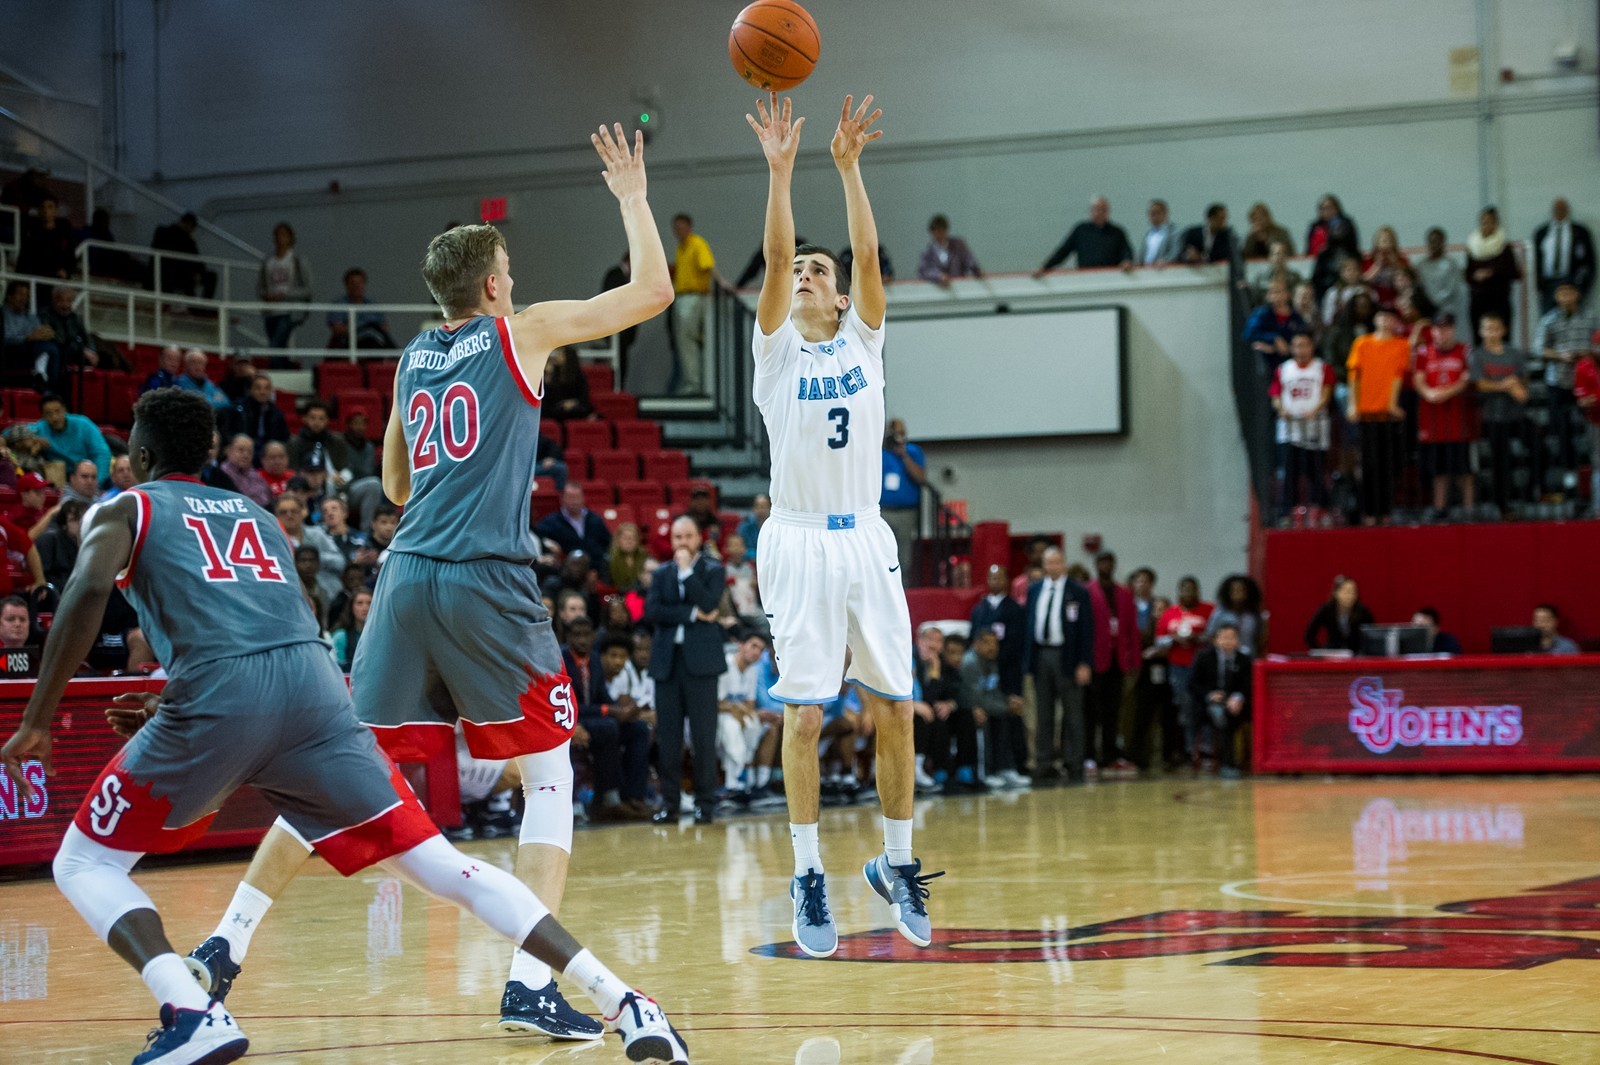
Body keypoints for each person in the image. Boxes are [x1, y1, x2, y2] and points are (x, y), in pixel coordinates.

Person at [0, 388, 686, 1065]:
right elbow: (286, 619)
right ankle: (626, 1000)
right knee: (443, 866)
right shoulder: (258, 515)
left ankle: (191, 1008)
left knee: (84, 860)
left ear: (139, 452)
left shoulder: (126, 505)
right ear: (208, 455)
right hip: (315, 691)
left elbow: (87, 590)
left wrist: (37, 718)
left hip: (222, 693)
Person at [179, 123, 677, 1047]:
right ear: (492, 284)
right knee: (550, 776)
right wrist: (630, 196)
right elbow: (652, 290)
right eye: (512, 269)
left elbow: (399, 485)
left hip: (404, 575)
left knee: (346, 769)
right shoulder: (518, 333)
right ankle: (531, 981)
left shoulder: (412, 358)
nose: (518, 280)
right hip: (485, 579)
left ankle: (223, 941)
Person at [746, 92, 939, 957]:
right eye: (800, 272)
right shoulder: (776, 349)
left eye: (819, 272)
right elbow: (778, 249)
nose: (808, 276)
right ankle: (808, 872)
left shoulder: (866, 341)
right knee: (806, 717)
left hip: (866, 534)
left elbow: (864, 250)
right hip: (796, 539)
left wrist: (850, 167)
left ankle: (897, 863)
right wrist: (782, 170)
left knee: (897, 707)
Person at [643, 516, 726, 823]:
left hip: (702, 666)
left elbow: (710, 603)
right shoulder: (661, 573)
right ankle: (670, 803)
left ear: (698, 538)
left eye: (688, 536)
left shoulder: (713, 569)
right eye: (677, 537)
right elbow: (653, 611)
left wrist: (688, 573)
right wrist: (692, 613)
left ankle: (706, 803)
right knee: (669, 738)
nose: (682, 543)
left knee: (704, 737)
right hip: (667, 664)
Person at [565, 619, 653, 822]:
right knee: (609, 727)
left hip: (596, 720)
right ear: (568, 637)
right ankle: (608, 798)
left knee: (638, 728)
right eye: (577, 635)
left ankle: (634, 797)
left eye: (586, 635)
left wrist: (623, 710)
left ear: (593, 637)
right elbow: (569, 706)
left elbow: (603, 698)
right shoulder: (562, 660)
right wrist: (610, 710)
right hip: (572, 721)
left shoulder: (594, 659)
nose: (582, 640)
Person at [1023, 546, 1094, 783]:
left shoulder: (1077, 591)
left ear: (1063, 564)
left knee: (1073, 714)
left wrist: (1084, 663)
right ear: (1043, 565)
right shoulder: (1034, 590)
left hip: (1068, 656)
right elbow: (1029, 626)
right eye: (1048, 563)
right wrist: (1029, 662)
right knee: (1044, 714)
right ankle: (1044, 762)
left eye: (1056, 562)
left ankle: (1074, 763)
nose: (1052, 567)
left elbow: (1086, 630)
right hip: (1042, 655)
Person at [1347, 307, 1411, 524]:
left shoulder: (1401, 345)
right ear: (1375, 319)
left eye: (1390, 318)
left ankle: (1385, 511)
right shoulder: (1362, 343)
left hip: (1387, 415)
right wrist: (1352, 405)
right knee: (1367, 464)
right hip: (1365, 414)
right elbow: (1354, 375)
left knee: (1388, 464)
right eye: (1381, 317)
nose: (1385, 322)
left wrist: (1392, 404)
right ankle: (1368, 512)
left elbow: (1397, 375)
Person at [1414, 313, 1478, 519]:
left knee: (1464, 468)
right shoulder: (1424, 353)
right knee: (1438, 468)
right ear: (1432, 331)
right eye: (1438, 328)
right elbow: (1418, 379)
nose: (1442, 332)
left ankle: (1469, 508)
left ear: (1453, 329)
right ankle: (1440, 507)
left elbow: (1467, 378)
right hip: (1433, 420)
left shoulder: (1464, 350)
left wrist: (1445, 392)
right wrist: (1429, 393)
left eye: (1447, 328)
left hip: (1459, 419)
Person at [1533, 282, 1598, 485]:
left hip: (1588, 381)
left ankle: (1593, 469)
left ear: (1577, 294)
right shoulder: (1549, 320)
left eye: (1570, 292)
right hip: (1559, 380)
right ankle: (1570, 473)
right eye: (1562, 293)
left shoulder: (1591, 317)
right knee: (1562, 429)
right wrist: (1560, 356)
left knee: (1592, 427)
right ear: (1556, 296)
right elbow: (1538, 349)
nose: (1566, 297)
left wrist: (1588, 354)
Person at [1086, 551, 1140, 776]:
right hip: (1095, 660)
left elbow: (1132, 630)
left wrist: (1134, 660)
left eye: (1110, 562)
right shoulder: (1087, 591)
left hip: (1117, 661)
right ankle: (1089, 756)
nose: (1106, 566)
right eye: (1102, 562)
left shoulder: (1125, 593)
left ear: (1114, 565)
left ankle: (1110, 755)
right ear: (1096, 565)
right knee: (1091, 711)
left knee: (1112, 712)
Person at [1473, 312, 1531, 516]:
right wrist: (1507, 385)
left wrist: (1517, 385)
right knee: (1500, 461)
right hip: (1493, 417)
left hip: (1516, 414)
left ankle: (1534, 491)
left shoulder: (1514, 353)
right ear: (1481, 331)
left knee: (1540, 447)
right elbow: (1480, 384)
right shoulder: (1478, 355)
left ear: (1503, 330)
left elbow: (1524, 379)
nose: (1492, 333)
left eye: (1495, 328)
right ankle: (1502, 505)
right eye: (1487, 328)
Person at [1272, 331, 1334, 519]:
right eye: (1297, 345)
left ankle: (1319, 507)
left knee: (1315, 470)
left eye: (1305, 344)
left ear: (1312, 347)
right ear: (1292, 348)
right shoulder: (1283, 369)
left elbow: (1326, 391)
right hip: (1291, 429)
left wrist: (1315, 409)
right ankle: (1287, 510)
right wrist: (1282, 410)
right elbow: (1275, 394)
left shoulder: (1321, 367)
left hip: (1314, 426)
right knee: (1290, 470)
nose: (1301, 349)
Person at [716, 631, 782, 800]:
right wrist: (737, 710)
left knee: (753, 723)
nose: (756, 652)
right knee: (733, 727)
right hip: (719, 716)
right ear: (740, 645)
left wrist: (742, 711)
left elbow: (750, 704)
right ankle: (732, 784)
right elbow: (716, 703)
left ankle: (752, 782)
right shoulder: (724, 665)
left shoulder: (752, 670)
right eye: (753, 646)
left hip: (738, 714)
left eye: (760, 649)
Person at [1157, 576, 1213, 765]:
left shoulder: (1208, 610)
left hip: (1202, 667)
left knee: (1204, 707)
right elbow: (1159, 640)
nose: (1188, 593)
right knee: (1185, 708)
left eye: (1192, 589)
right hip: (1178, 667)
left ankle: (1207, 749)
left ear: (1198, 591)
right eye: (1184, 589)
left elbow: (1215, 637)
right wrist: (1173, 639)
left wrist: (1198, 638)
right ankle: (1189, 749)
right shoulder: (1170, 613)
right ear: (1178, 592)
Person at [964, 628, 1029, 789]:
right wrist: (1006, 707)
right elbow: (976, 697)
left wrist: (1008, 702)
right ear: (976, 644)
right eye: (987, 643)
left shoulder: (990, 660)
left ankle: (1005, 768)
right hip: (966, 708)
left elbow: (993, 691)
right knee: (987, 716)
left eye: (995, 643)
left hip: (986, 706)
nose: (992, 648)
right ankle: (985, 772)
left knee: (1007, 717)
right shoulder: (970, 663)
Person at [1188, 622, 1252, 778]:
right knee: (1221, 715)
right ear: (1216, 640)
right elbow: (1192, 684)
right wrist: (1209, 694)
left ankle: (1233, 762)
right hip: (1208, 704)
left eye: (1232, 638)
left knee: (1229, 716)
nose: (1228, 641)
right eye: (1224, 637)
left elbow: (1249, 684)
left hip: (1237, 705)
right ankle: (1226, 763)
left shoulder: (1244, 660)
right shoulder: (1203, 657)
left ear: (1238, 640)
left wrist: (1238, 697)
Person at [670, 212, 716, 395]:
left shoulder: (697, 243)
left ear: (689, 227)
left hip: (693, 298)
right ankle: (694, 382)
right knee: (688, 342)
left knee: (688, 341)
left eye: (681, 227)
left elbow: (709, 266)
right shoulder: (680, 248)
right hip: (684, 297)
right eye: (675, 228)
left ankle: (694, 384)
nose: (678, 231)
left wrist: (721, 284)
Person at [969, 563, 1026, 703]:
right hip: (981, 667)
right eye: (992, 578)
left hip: (1007, 667)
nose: (996, 582)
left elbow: (1017, 640)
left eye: (999, 578)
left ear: (1007, 580)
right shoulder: (979, 609)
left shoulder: (1015, 609)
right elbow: (973, 636)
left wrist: (996, 656)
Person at [1035, 196, 1132, 274]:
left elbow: (1126, 251)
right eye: (1097, 209)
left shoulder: (1117, 232)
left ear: (1108, 211)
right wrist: (1045, 267)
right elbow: (1063, 251)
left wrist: (1127, 261)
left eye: (1103, 209)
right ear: (1091, 211)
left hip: (1110, 278)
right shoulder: (1081, 230)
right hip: (1085, 278)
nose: (1099, 212)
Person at [1467, 207, 1522, 343]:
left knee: (1503, 340)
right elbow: (1468, 275)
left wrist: (1493, 272)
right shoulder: (1472, 246)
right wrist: (1476, 276)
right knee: (1480, 341)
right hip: (1479, 302)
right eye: (1483, 222)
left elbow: (1514, 274)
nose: (1486, 225)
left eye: (1490, 222)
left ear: (1496, 223)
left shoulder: (1505, 247)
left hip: (1500, 301)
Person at [879, 417, 925, 579]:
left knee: (904, 557)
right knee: (881, 554)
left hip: (906, 513)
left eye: (901, 433)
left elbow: (921, 478)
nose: (897, 437)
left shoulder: (913, 452)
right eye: (894, 434)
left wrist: (904, 455)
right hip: (882, 512)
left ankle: (904, 591)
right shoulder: (880, 454)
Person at [1532, 198, 1595, 314]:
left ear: (1568, 210)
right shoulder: (1542, 232)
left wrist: (1582, 286)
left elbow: (1589, 262)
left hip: (1571, 282)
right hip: (1548, 284)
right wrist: (1539, 284)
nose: (1559, 211)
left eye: (1562, 209)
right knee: (1548, 318)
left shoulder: (1580, 232)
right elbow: (1536, 260)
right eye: (1557, 209)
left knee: (1573, 318)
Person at [257, 222, 313, 348]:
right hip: (271, 311)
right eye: (277, 234)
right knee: (277, 348)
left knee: (275, 345)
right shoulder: (268, 261)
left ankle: (282, 365)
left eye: (283, 234)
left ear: (290, 238)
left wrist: (285, 296)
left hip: (288, 311)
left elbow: (307, 289)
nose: (279, 238)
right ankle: (287, 365)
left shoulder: (297, 260)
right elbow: (261, 285)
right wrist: (265, 296)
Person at [32, 393, 111, 481]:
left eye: (57, 411)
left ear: (65, 410)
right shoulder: (41, 428)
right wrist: (32, 439)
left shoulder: (84, 424)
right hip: (62, 478)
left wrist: (97, 482)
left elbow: (102, 454)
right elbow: (15, 434)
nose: (55, 417)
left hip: (89, 474)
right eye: (49, 414)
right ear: (43, 416)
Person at [2, 280, 60, 389]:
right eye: (21, 294)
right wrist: (27, 337)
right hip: (11, 352)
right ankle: (46, 383)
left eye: (27, 296)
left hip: (31, 350)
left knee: (51, 347)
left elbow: (39, 333)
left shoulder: (30, 316)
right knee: (47, 348)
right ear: (9, 296)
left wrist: (47, 333)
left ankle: (42, 376)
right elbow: (6, 338)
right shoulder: (3, 314)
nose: (24, 299)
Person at [536, 483, 612, 567]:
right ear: (562, 499)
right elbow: (536, 536)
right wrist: (547, 543)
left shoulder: (595, 520)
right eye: (571, 498)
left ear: (583, 498)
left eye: (577, 497)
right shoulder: (551, 522)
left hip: (595, 569)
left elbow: (607, 542)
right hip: (565, 571)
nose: (574, 501)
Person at [149, 211, 216, 298]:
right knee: (187, 275)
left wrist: (199, 272)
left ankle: (204, 306)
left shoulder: (188, 240)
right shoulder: (165, 232)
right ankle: (193, 305)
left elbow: (196, 258)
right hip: (170, 271)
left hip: (184, 271)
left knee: (210, 276)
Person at [325, 267, 395, 349]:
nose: (356, 286)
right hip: (350, 342)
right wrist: (363, 327)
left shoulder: (372, 305)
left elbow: (384, 327)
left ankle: (397, 355)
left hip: (374, 340)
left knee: (374, 334)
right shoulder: (339, 305)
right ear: (346, 285)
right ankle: (397, 355)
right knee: (371, 332)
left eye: (360, 283)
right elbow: (337, 329)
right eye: (353, 283)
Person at [1243, 280, 1307, 368]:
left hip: (1290, 365)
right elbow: (1249, 333)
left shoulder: (1296, 317)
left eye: (1280, 292)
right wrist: (1274, 338)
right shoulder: (1262, 314)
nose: (1277, 297)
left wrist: (1288, 349)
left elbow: (1302, 338)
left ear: (1288, 294)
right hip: (1267, 364)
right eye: (1272, 293)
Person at [1415, 227, 1470, 328]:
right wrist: (1427, 304)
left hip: (1446, 309)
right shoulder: (1422, 265)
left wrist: (1435, 302)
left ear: (1443, 242)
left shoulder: (1451, 264)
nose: (1434, 244)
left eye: (1437, 241)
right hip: (1426, 310)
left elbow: (1451, 288)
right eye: (1431, 241)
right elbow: (1420, 287)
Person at [1304, 576, 1373, 653]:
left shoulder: (1363, 612)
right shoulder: (1327, 610)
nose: (1350, 595)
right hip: (1332, 655)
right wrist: (1320, 652)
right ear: (1336, 593)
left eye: (1353, 592)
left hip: (1357, 656)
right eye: (1346, 591)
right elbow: (1309, 635)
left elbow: (1372, 635)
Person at [599, 250, 637, 387]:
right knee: (618, 363)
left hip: (624, 331)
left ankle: (619, 387)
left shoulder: (629, 278)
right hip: (617, 330)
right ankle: (617, 388)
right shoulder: (615, 275)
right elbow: (611, 301)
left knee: (622, 362)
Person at [1204, 575, 1266, 658]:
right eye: (1234, 591)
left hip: (1249, 658)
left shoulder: (1254, 615)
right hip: (1225, 659)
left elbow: (1260, 640)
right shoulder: (1220, 613)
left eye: (1241, 590)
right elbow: (1210, 635)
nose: (1238, 594)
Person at [226, 374, 289, 454]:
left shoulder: (277, 414)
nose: (262, 392)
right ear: (251, 390)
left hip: (268, 453)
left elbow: (283, 439)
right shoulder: (240, 410)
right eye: (258, 388)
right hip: (245, 450)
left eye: (267, 388)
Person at [40, 286, 100, 370]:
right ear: (54, 301)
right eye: (61, 301)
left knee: (103, 357)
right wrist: (82, 350)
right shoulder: (46, 315)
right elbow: (56, 339)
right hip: (59, 352)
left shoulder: (76, 318)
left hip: (76, 352)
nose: (65, 305)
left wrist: (92, 351)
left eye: (69, 301)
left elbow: (87, 337)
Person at [916, 214, 982, 285]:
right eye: (935, 231)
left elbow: (970, 263)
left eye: (941, 231)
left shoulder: (959, 246)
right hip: (937, 290)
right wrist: (938, 276)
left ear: (946, 230)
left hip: (960, 288)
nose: (938, 234)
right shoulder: (927, 252)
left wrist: (976, 272)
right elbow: (923, 271)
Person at [1575, 332, 1600, 516]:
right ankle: (1598, 507)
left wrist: (1595, 397)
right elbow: (1582, 400)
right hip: (1595, 421)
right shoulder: (1584, 366)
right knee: (1598, 463)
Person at [218, 434, 272, 509]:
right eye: (241, 450)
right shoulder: (221, 474)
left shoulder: (255, 475)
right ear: (229, 451)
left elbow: (268, 498)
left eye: (249, 451)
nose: (246, 455)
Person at [543, 345, 595, 421]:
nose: (557, 356)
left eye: (561, 354)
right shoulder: (554, 373)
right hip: (557, 406)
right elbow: (550, 396)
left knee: (584, 409)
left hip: (574, 406)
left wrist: (572, 402)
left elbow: (584, 396)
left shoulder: (578, 375)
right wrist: (548, 376)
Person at [1306, 194, 1360, 261]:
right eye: (1322, 208)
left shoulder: (1345, 224)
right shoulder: (1315, 226)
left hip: (1342, 259)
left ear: (1336, 208)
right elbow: (1309, 247)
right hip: (1317, 260)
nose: (1325, 212)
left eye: (1328, 208)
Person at [608, 520, 651, 590]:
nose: (629, 541)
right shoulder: (608, 561)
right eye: (625, 538)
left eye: (633, 538)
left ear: (638, 541)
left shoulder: (647, 559)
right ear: (618, 540)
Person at [1139, 199, 1182, 266]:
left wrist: (1165, 260)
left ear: (1165, 213)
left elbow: (1175, 251)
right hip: (1147, 270)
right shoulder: (1148, 234)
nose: (1155, 217)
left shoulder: (1174, 232)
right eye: (1152, 214)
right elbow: (1142, 254)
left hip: (1164, 270)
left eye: (1158, 213)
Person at [738, 492, 771, 558]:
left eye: (764, 507)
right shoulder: (745, 526)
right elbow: (740, 548)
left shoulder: (775, 527)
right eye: (758, 507)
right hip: (749, 561)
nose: (761, 510)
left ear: (770, 508)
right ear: (754, 508)